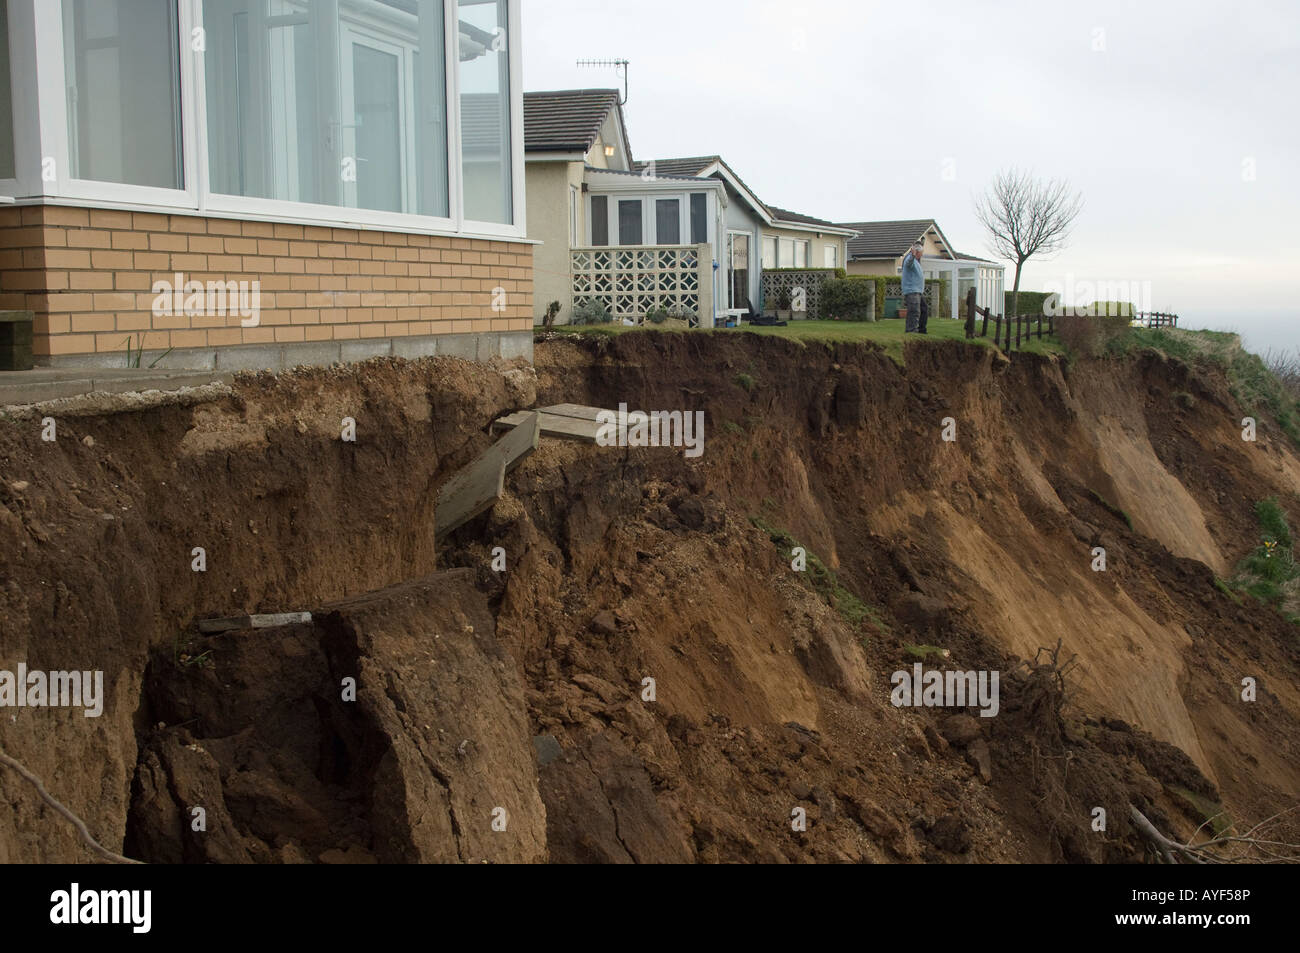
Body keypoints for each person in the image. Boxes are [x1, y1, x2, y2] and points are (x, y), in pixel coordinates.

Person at [901, 241, 925, 333]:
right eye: (921, 253)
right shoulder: (910, 259)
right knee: (914, 312)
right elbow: (908, 264)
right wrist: (913, 255)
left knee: (920, 310)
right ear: (917, 252)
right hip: (912, 291)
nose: (922, 255)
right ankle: (912, 330)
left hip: (917, 291)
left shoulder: (916, 261)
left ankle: (916, 329)